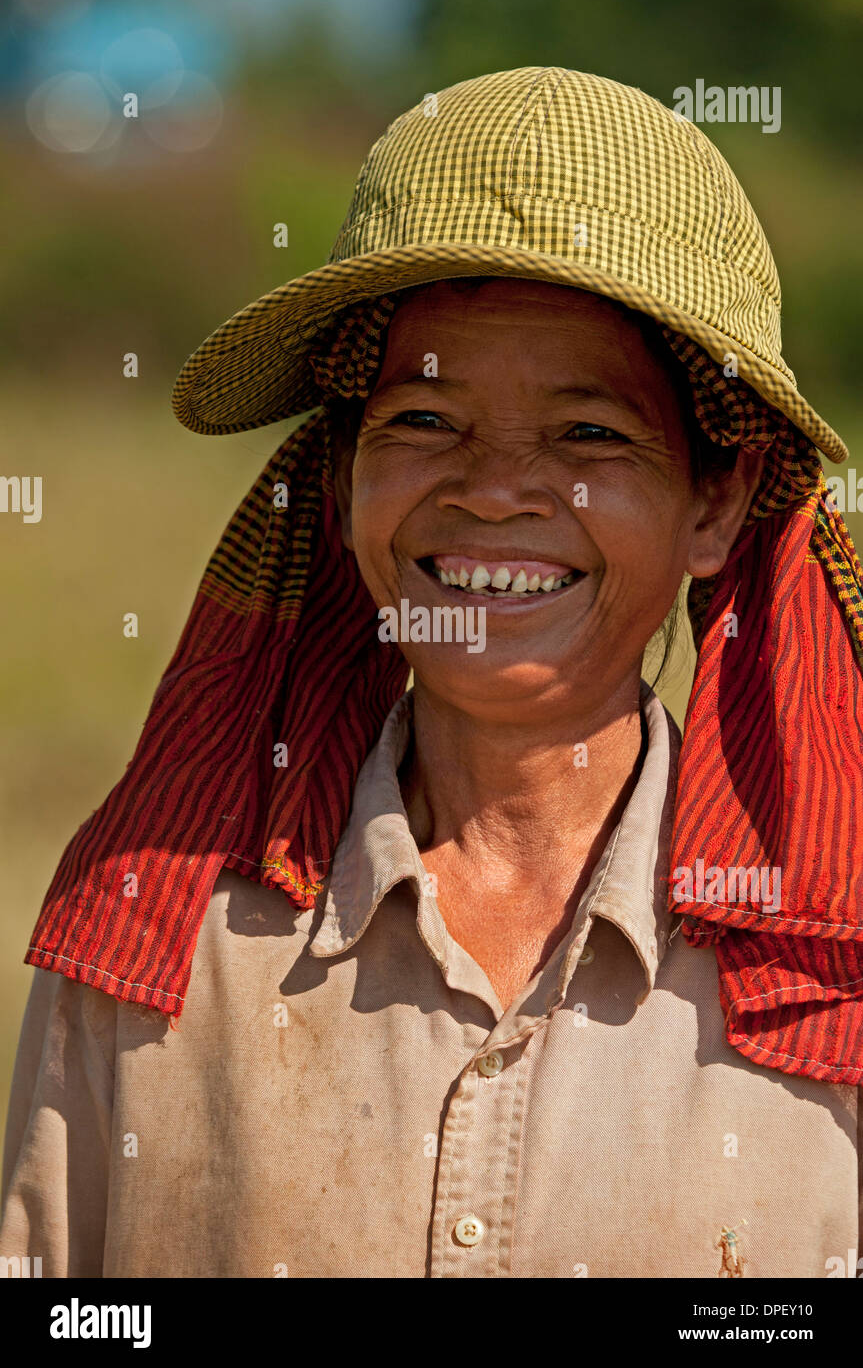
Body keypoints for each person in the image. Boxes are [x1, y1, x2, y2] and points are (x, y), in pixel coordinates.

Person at [2, 66, 862, 1279]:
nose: (496, 488)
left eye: (588, 434)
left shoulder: (833, 972)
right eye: (423, 419)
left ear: (714, 504)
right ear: (346, 474)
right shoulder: (155, 930)